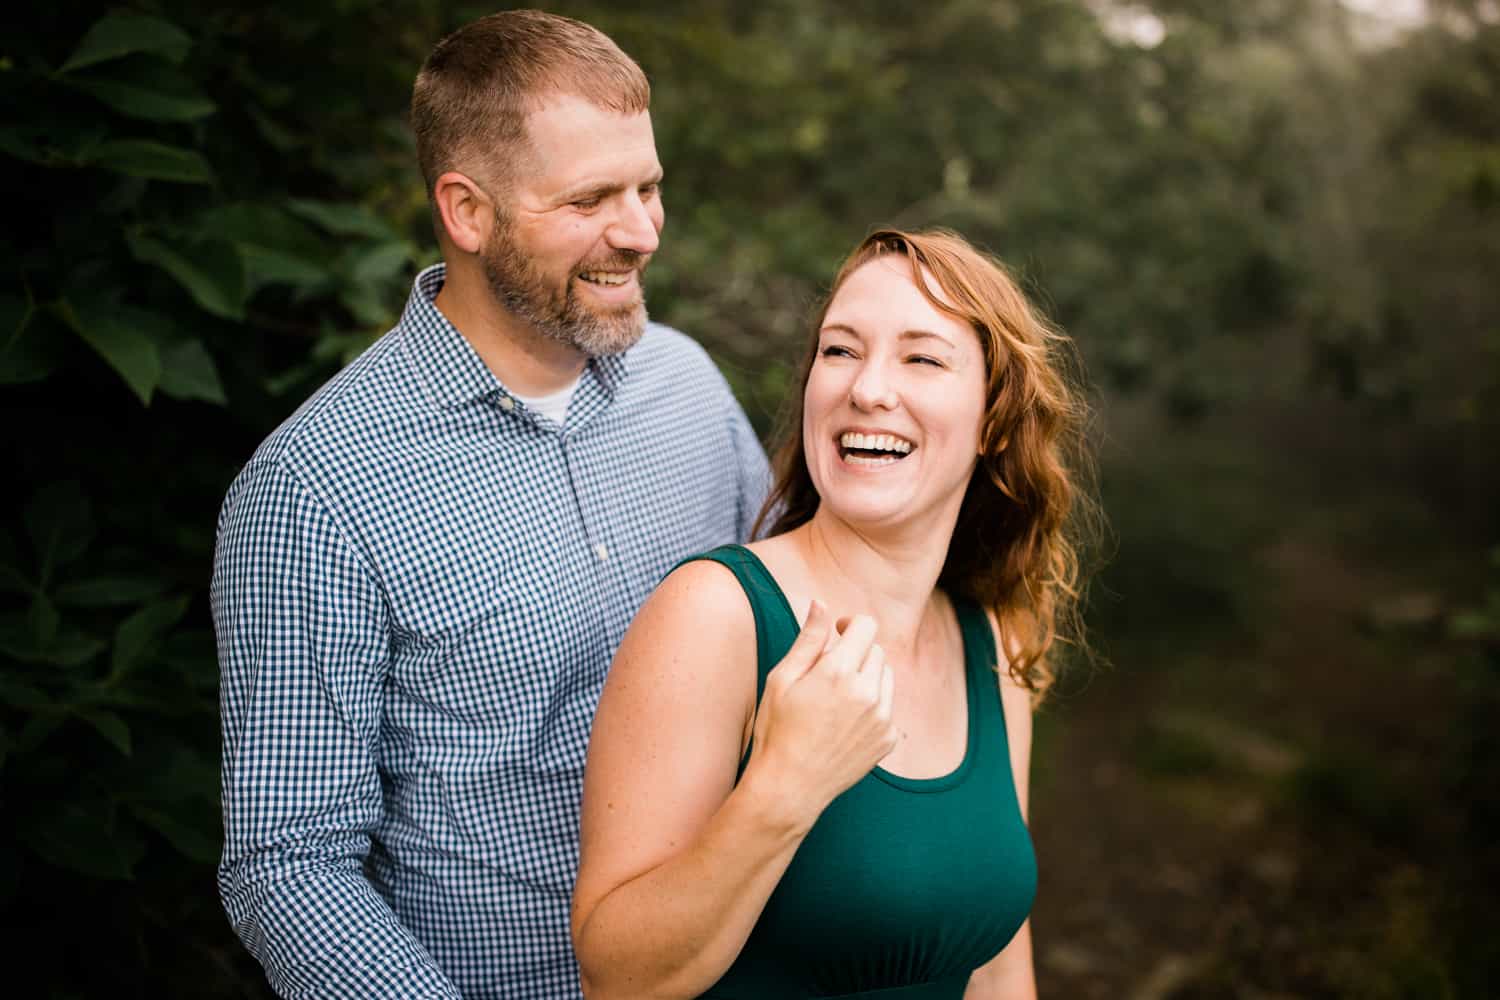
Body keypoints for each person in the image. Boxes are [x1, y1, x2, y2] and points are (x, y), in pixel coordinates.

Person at [212, 11, 768, 998]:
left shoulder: (686, 386)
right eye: (592, 198)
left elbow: (794, 645)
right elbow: (290, 865)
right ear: (466, 212)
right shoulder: (314, 490)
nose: (640, 232)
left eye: (648, 187)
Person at [572, 228, 1095, 998]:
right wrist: (786, 785)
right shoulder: (718, 615)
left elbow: (998, 962)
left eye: (921, 357)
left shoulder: (989, 640)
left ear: (992, 419)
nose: (868, 389)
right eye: (841, 351)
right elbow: (616, 977)